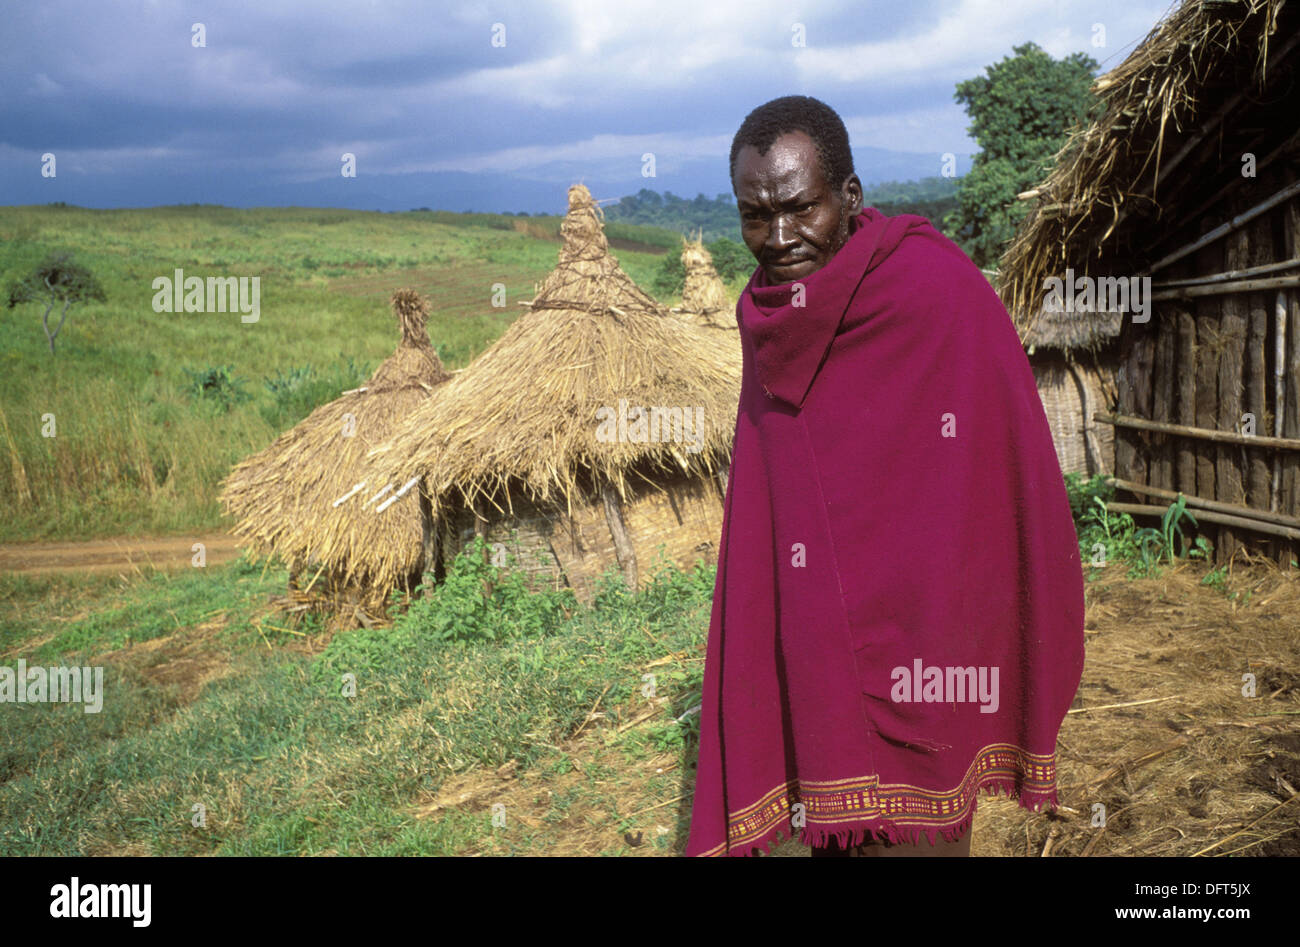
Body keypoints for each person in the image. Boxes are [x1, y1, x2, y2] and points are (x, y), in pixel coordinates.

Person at [684, 95, 1086, 858]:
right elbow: (778, 485)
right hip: (822, 617)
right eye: (753, 214)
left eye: (800, 208)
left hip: (931, 625)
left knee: (922, 832)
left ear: (850, 197)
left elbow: (1003, 467)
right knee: (840, 827)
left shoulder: (935, 289)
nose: (777, 237)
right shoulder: (766, 316)